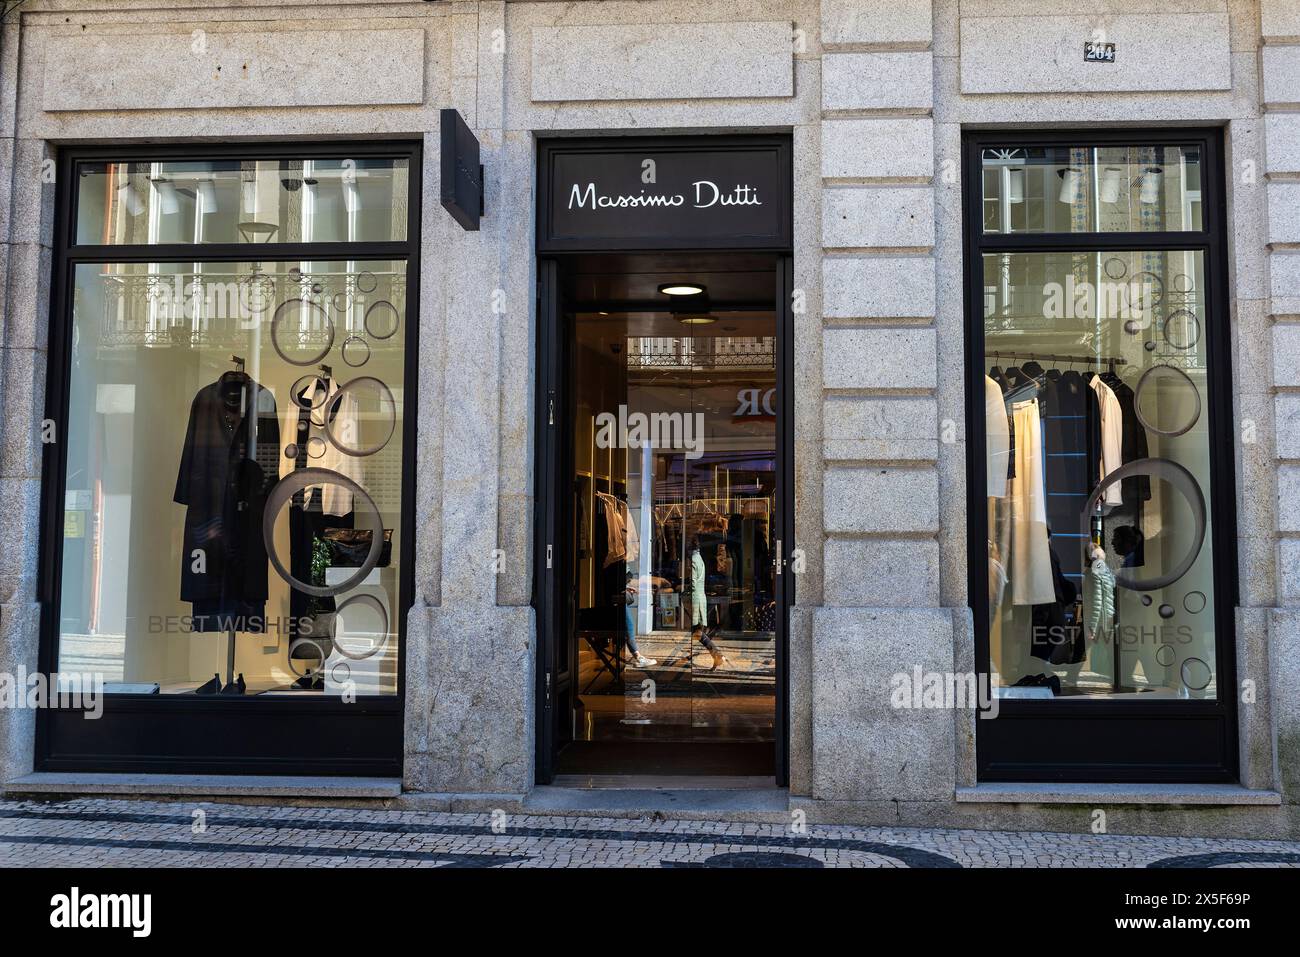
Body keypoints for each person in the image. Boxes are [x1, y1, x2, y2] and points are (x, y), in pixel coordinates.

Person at [690, 537, 729, 670]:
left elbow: (694, 582)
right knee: (697, 630)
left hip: (696, 597)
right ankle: (716, 655)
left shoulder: (693, 560)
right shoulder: (700, 559)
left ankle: (717, 655)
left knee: (696, 630)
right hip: (701, 596)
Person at [621, 571, 657, 668]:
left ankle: (638, 656)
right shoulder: (617, 569)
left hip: (618, 603)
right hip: (619, 603)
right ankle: (638, 657)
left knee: (629, 629)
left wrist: (627, 589)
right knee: (629, 628)